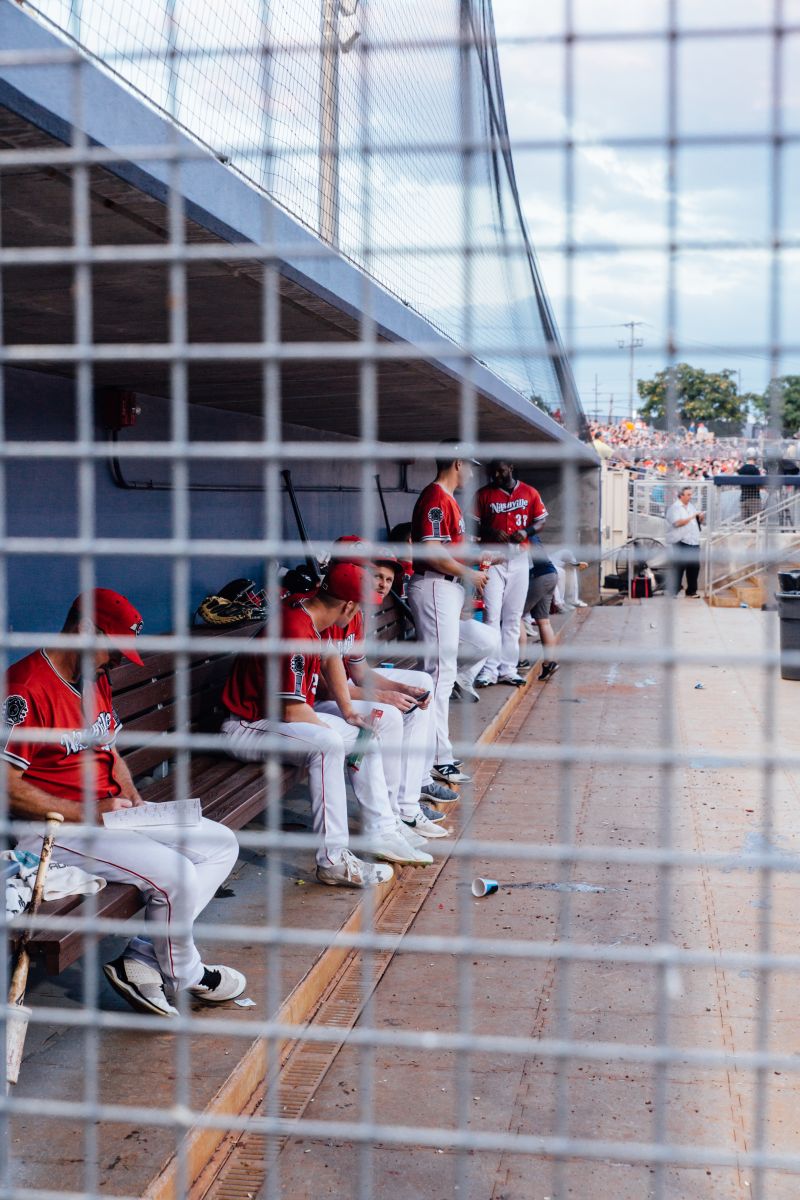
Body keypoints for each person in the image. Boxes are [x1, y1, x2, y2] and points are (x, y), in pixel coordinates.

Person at [2, 588, 245, 1019]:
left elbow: (108, 749)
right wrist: (89, 813)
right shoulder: (24, 688)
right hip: (55, 828)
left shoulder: (93, 676)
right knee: (177, 876)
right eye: (112, 651)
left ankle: (143, 958)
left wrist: (131, 794)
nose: (115, 661)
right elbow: (7, 786)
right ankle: (184, 974)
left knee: (221, 843)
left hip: (107, 814)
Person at [221, 562, 406, 888]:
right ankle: (333, 861)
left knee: (364, 735)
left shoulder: (309, 606)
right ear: (348, 605)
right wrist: (335, 729)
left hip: (276, 722)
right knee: (327, 745)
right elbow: (293, 712)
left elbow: (330, 655)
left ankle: (381, 830)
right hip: (248, 726)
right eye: (357, 606)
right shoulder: (294, 631)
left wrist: (349, 713)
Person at [315, 538, 447, 840]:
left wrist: (402, 688)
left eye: (388, 579)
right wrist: (384, 696)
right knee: (386, 714)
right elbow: (323, 689)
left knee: (421, 684)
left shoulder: (355, 611)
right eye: (375, 575)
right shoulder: (327, 609)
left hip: (340, 691)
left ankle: (405, 806)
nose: (382, 584)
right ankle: (388, 817)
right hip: (311, 703)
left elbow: (359, 672)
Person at [407, 445, 489, 787]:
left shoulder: (447, 498)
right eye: (469, 465)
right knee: (440, 676)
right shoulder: (436, 497)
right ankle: (436, 760)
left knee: (446, 671)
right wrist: (467, 574)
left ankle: (437, 756)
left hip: (446, 587)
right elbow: (430, 550)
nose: (471, 471)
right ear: (458, 463)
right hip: (436, 586)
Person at [474, 460, 548, 687]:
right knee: (492, 615)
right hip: (492, 558)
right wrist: (491, 531)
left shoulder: (528, 492)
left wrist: (526, 531)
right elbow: (472, 522)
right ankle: (489, 670)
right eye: (492, 471)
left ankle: (508, 669)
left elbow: (541, 519)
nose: (496, 475)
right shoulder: (483, 494)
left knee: (513, 616)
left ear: (511, 468)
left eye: (501, 470)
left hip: (518, 558)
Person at [524, 537, 561, 680]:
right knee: (543, 621)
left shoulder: (523, 534)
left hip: (539, 576)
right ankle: (549, 662)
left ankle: (520, 660)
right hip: (551, 574)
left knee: (514, 616)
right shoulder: (532, 534)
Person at [665, 485, 703, 597]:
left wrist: (699, 517)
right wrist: (692, 517)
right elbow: (677, 523)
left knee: (694, 567)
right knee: (679, 566)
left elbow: (695, 521)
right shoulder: (674, 508)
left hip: (693, 542)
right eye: (688, 495)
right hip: (681, 541)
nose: (691, 497)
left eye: (691, 494)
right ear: (681, 495)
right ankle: (673, 591)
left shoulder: (691, 506)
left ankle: (691, 591)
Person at [738, 453, 763, 520]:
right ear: (754, 460)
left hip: (743, 497)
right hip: (754, 498)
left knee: (745, 522)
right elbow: (759, 484)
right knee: (754, 523)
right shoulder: (755, 469)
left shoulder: (741, 469)